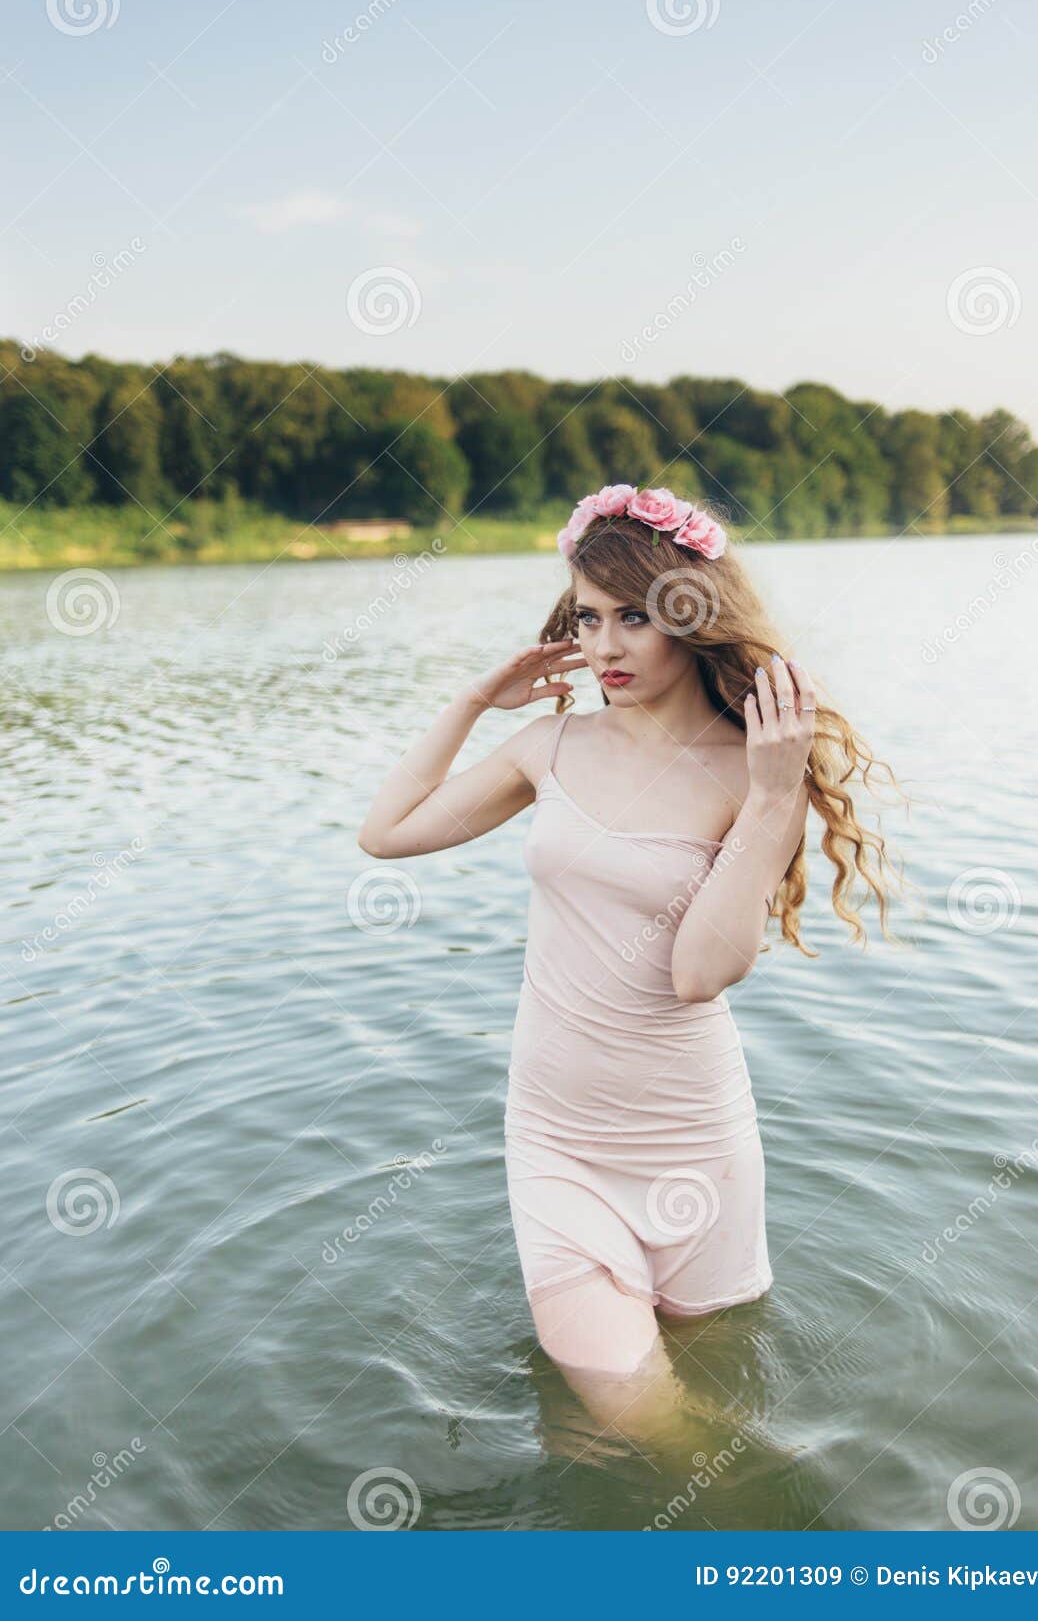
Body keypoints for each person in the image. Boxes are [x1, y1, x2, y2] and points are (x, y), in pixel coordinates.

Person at [359, 483, 905, 1450]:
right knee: (637, 1412)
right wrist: (474, 701)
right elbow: (386, 834)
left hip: (694, 1141)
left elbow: (701, 973)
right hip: (557, 1140)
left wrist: (771, 798)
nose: (605, 645)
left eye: (634, 618)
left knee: (638, 1424)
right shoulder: (551, 746)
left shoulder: (755, 773)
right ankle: (754, 1519)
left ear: (694, 619)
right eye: (587, 618)